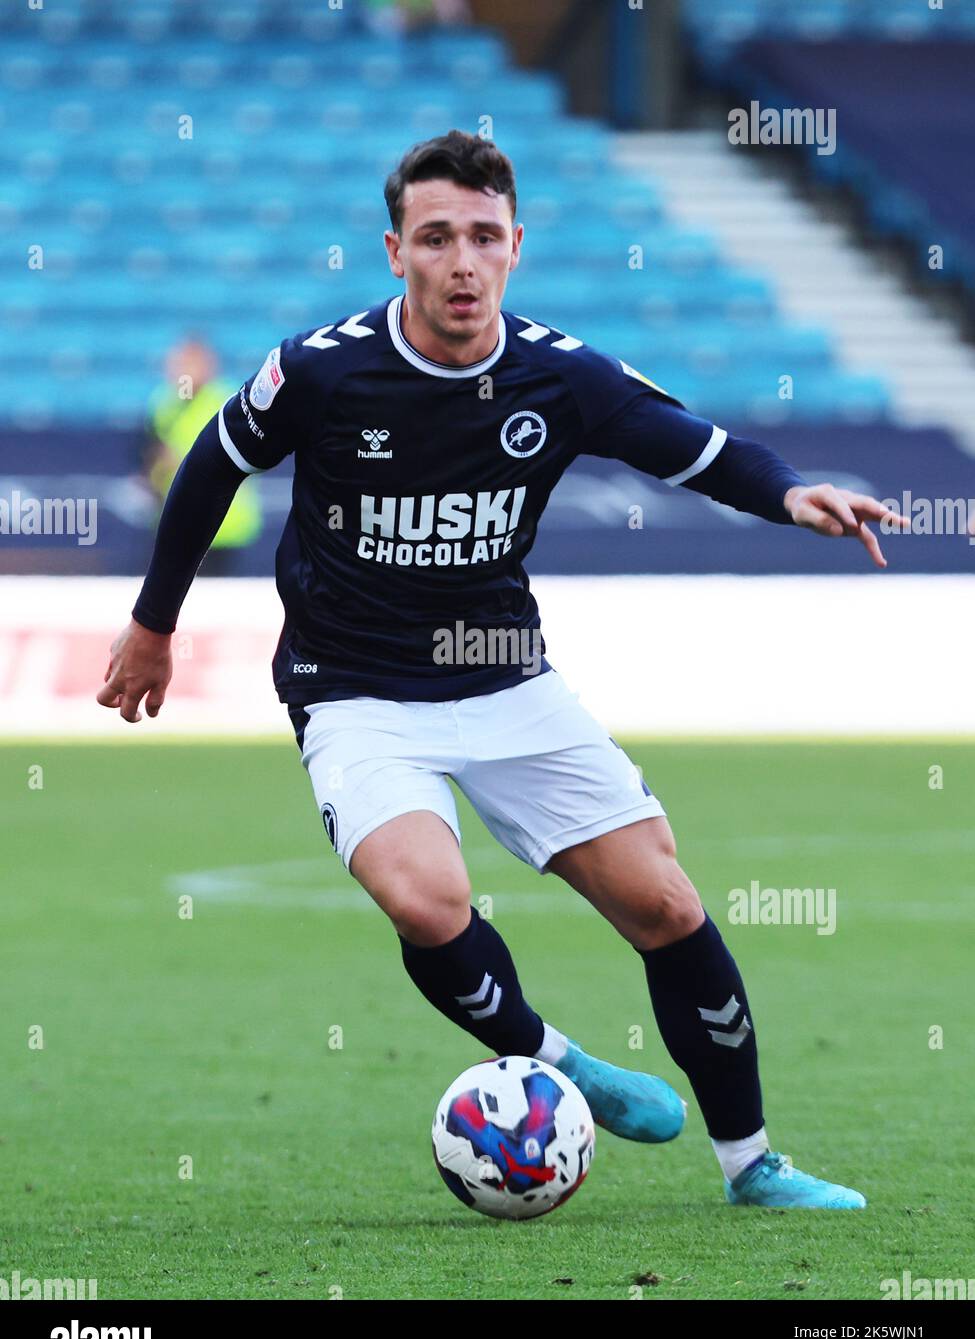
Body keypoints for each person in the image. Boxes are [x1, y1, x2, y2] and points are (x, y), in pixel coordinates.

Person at [98, 130, 908, 1208]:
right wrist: (154, 624)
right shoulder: (323, 368)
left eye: (484, 237)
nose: (462, 262)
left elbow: (695, 448)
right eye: (436, 238)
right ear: (395, 251)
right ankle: (554, 1057)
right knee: (425, 896)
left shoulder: (559, 374)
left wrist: (791, 491)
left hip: (505, 679)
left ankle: (752, 1164)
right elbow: (211, 462)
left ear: (516, 247)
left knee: (665, 903)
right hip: (354, 688)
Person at [143, 338, 262, 571]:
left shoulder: (229, 400)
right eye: (179, 363)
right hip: (176, 522)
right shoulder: (163, 402)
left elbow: (250, 453)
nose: (184, 370)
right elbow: (150, 451)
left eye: (192, 363)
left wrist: (183, 461)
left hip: (224, 525)